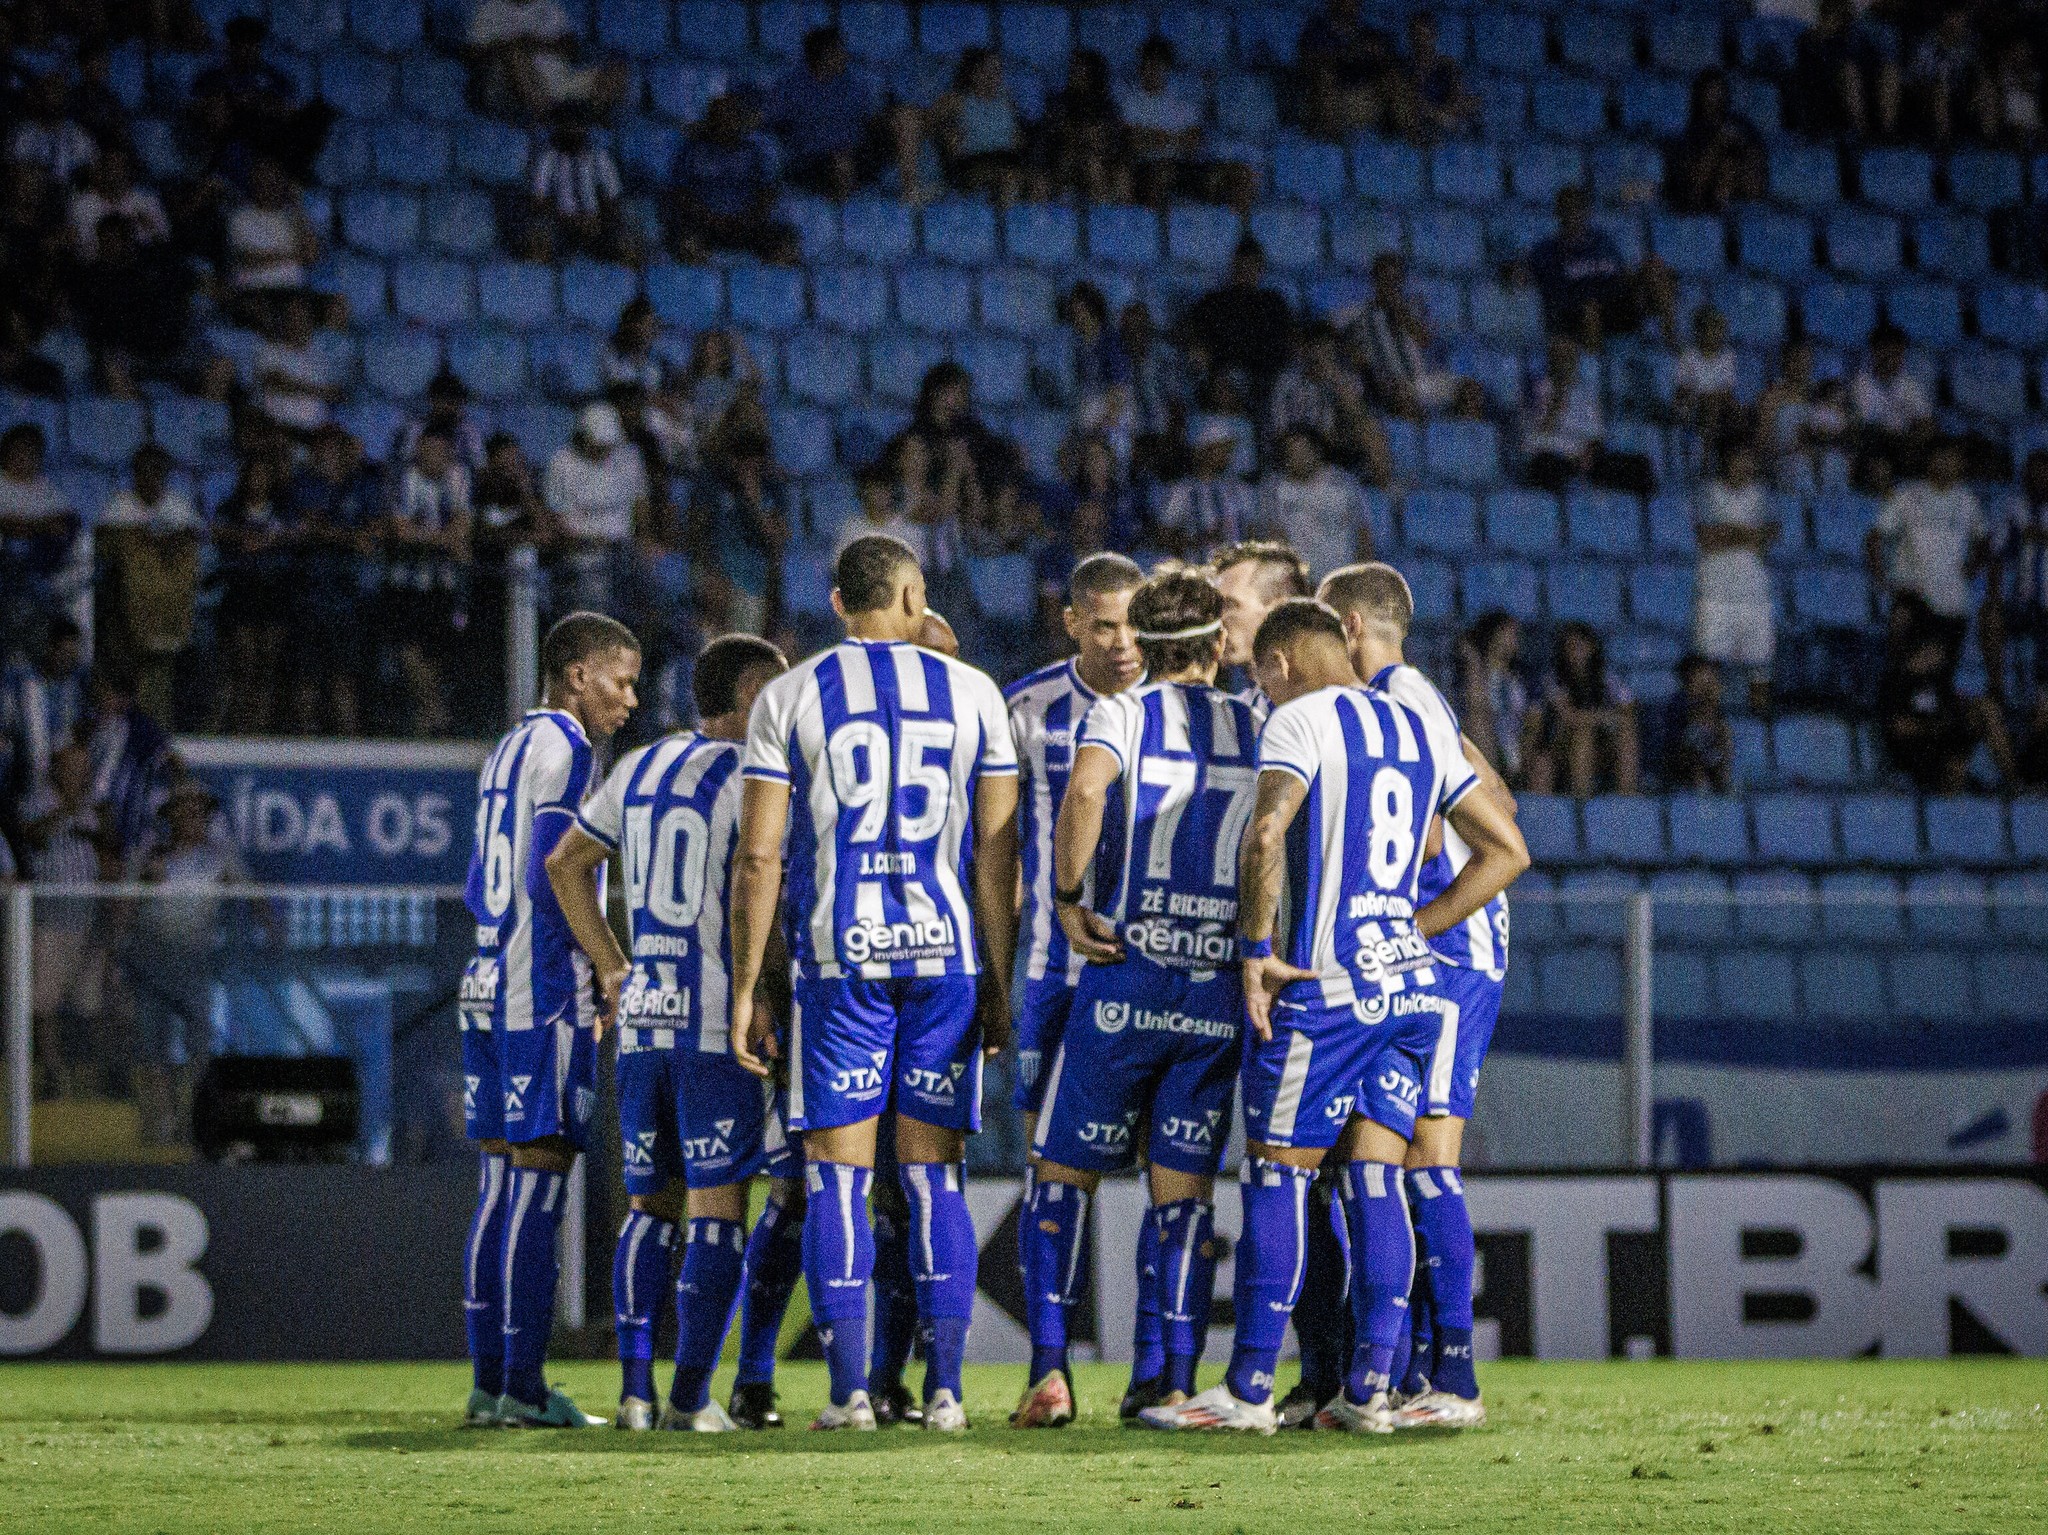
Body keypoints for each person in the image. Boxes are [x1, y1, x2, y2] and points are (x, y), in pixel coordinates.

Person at [1139, 595, 1526, 1433]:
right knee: (1378, 1175)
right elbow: (1507, 849)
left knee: (1277, 1174)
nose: (1262, 690)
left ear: (1279, 664)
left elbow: (1267, 828)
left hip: (1328, 988)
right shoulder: (1419, 725)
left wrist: (1254, 949)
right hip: (1410, 986)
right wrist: (1410, 930)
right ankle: (1371, 1390)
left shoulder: (1300, 720)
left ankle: (1244, 1390)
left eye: (1260, 676)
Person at [726, 535, 1019, 1432]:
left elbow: (760, 856)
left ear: (836, 599)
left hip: (840, 958)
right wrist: (999, 979)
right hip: (946, 958)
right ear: (912, 592)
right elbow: (995, 856)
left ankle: (850, 1392)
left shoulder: (788, 694)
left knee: (838, 1179)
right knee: (934, 1177)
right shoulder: (976, 694)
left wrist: (748, 986)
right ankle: (946, 1393)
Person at [1015, 568, 1259, 1428]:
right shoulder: (1254, 721)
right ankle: (1171, 1377)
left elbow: (1086, 790)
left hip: (1126, 973)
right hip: (1216, 988)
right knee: (1182, 1192)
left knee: (1062, 1175)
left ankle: (1050, 1371)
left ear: (1143, 647)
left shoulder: (1120, 711)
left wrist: (1069, 894)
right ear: (1221, 643)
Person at [543, 632, 802, 1432]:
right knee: (719, 1207)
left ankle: (633, 1393)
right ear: (753, 696)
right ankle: (693, 1398)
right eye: (779, 696)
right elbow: (754, 885)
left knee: (649, 1209)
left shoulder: (641, 765)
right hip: (715, 1018)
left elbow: (563, 863)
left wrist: (613, 965)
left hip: (646, 1020)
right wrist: (767, 993)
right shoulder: (757, 777)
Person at [1316, 562, 1519, 1428]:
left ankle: (1455, 1380)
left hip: (1453, 959)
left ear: (1353, 628)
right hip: (1455, 957)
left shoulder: (1400, 702)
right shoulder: (1420, 697)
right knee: (1398, 1161)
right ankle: (1411, 1373)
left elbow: (1451, 832)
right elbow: (1499, 798)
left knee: (1426, 1161)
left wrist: (1418, 927)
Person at [456, 610, 642, 1429]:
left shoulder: (505, 748)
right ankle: (524, 1388)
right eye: (620, 679)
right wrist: (605, 964)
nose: (630, 699)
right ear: (576, 676)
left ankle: (493, 1383)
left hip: (485, 977)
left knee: (500, 1186)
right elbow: (552, 871)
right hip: (539, 992)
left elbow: (479, 880)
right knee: (537, 1185)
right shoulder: (568, 750)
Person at [1001, 552, 1145, 1420]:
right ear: (1072, 623)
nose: (1123, 643)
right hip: (1054, 977)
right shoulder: (1027, 708)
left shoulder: (1170, 705)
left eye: (1134, 624)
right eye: (1104, 625)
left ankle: (1159, 1374)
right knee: (1051, 1167)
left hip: (1156, 972)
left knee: (1174, 1174)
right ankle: (1048, 1368)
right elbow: (999, 846)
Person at [96, 445, 204, 725]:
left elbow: (192, 538)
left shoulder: (177, 504)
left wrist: (164, 541)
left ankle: (155, 728)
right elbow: (110, 546)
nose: (150, 478)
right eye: (144, 472)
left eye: (157, 472)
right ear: (134, 474)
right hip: (122, 612)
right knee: (128, 675)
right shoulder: (120, 503)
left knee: (159, 679)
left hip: (166, 611)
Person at [761, 25, 923, 201]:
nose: (845, 55)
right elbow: (768, 121)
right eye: (838, 51)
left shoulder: (856, 82)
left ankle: (910, 192)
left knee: (905, 119)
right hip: (812, 161)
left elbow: (873, 118)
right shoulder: (789, 86)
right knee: (840, 164)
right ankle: (842, 215)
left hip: (856, 153)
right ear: (822, 56)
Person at [382, 430, 473, 738]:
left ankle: (427, 722)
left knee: (436, 654)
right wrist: (443, 540)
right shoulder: (403, 480)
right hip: (405, 582)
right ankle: (435, 711)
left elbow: (462, 528)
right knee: (407, 649)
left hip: (443, 584)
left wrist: (427, 538)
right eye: (429, 450)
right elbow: (401, 531)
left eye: (442, 451)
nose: (436, 458)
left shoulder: (459, 479)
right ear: (419, 451)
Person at [1877, 595, 2013, 791]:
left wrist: (1958, 714)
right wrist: (1936, 725)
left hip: (1942, 738)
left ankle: (2014, 784)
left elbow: (1947, 705)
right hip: (1914, 751)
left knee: (1987, 711)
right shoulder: (1894, 678)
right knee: (1952, 763)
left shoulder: (1938, 677)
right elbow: (1898, 727)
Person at [1868, 437, 1988, 656]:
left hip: (1951, 596)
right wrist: (1879, 575)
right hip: (1912, 590)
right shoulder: (1906, 495)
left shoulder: (1968, 500)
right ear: (1930, 460)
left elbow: (1983, 540)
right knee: (1902, 633)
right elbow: (1876, 536)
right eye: (1941, 456)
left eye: (1952, 458)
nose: (1946, 463)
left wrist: (1972, 568)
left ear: (1961, 463)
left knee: (1939, 663)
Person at [189, 16, 333, 184]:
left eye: (251, 43)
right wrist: (234, 101)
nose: (246, 49)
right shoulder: (213, 78)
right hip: (228, 139)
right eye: (240, 43)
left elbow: (288, 111)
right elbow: (201, 110)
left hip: (268, 140)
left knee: (318, 113)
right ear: (230, 46)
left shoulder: (275, 79)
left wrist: (257, 102)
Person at [1693, 441, 1779, 715]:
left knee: (1760, 673)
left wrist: (1729, 532)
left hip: (1755, 596)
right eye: (1741, 458)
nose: (1747, 465)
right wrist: (1747, 535)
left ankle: (1762, 740)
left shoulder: (1763, 495)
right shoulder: (1707, 492)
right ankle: (1710, 738)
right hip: (1715, 595)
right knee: (1709, 673)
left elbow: (1768, 536)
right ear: (1727, 460)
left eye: (1751, 459)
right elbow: (1707, 539)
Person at [1527, 186, 1675, 345]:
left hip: (1613, 304)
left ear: (1586, 212)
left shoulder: (1602, 242)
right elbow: (1546, 290)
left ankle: (1671, 344)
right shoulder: (1547, 250)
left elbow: (1622, 274)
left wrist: (1643, 274)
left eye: (1577, 208)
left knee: (1654, 270)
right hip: (1574, 311)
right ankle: (1594, 365)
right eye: (1567, 209)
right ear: (1558, 213)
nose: (1572, 215)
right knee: (1591, 310)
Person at [1118, 34, 1251, 211]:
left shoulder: (1183, 103)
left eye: (1158, 65)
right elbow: (1134, 143)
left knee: (1240, 173)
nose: (1152, 71)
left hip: (1183, 167)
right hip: (1146, 168)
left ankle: (1230, 228)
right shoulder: (1130, 103)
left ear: (1167, 68)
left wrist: (1159, 138)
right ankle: (1154, 230)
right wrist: (1172, 140)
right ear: (1140, 67)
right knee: (1161, 173)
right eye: (1147, 64)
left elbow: (1193, 143)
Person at [544, 402, 650, 614]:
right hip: (583, 554)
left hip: (624, 548)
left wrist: (642, 539)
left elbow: (640, 502)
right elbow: (555, 515)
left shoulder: (630, 458)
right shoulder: (561, 463)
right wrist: (589, 542)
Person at [669, 95, 798, 263]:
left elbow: (768, 193)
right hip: (705, 223)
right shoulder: (692, 151)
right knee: (686, 243)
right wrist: (710, 218)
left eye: (731, 118)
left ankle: (768, 287)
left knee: (785, 245)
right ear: (710, 121)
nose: (726, 124)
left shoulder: (755, 152)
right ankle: (705, 287)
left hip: (747, 224)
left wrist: (747, 219)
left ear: (740, 121)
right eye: (720, 118)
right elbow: (680, 193)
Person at [1349, 251, 1470, 422]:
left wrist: (1402, 314)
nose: (1390, 286)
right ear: (1375, 281)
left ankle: (1464, 442)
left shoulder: (1414, 307)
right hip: (1389, 384)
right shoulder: (1362, 316)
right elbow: (1356, 357)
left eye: (1395, 280)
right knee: (1402, 396)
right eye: (1385, 280)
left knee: (1470, 390)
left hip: (1420, 381)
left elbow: (1424, 340)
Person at [467, 0, 628, 121]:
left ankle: (587, 118)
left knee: (618, 69)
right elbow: (472, 54)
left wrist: (536, 44)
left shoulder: (549, 7)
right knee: (514, 54)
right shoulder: (489, 9)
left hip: (558, 79)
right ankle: (548, 116)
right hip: (509, 88)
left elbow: (571, 48)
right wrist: (509, 45)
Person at [1266, 323, 1391, 480]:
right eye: (1318, 350)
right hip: (1297, 442)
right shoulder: (1287, 381)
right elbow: (1280, 429)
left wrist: (1333, 378)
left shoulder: (1342, 377)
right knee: (1298, 445)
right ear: (1307, 350)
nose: (1322, 356)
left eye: (1328, 351)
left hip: (1332, 444)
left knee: (1370, 427)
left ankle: (1384, 492)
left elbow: (1358, 413)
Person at [1530, 621, 1639, 795]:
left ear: (1592, 647)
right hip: (1562, 746)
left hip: (1602, 746)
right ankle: (1581, 804)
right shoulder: (1553, 679)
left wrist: (1603, 718)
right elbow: (1570, 717)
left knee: (1627, 731)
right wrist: (1606, 717)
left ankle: (1627, 798)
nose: (1576, 652)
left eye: (1581, 645)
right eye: (1570, 647)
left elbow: (1628, 712)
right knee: (1583, 735)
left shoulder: (1608, 678)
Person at [1179, 238, 1294, 401]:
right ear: (1233, 267)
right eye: (1241, 266)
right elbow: (1191, 334)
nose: (1245, 272)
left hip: (1262, 381)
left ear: (1260, 269)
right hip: (1219, 380)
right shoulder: (1213, 302)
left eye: (1251, 266)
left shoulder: (1273, 303)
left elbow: (1285, 343)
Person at [0, 423, 82, 649]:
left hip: (48, 559)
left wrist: (36, 527)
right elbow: (8, 525)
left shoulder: (44, 487)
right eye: (20, 450)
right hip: (10, 562)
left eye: (32, 452)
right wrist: (40, 526)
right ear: (7, 452)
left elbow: (67, 520)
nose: (25, 457)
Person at [1257, 428, 1375, 582]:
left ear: (1317, 451)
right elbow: (1275, 537)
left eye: (1303, 450)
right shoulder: (1274, 489)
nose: (1298, 457)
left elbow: (1362, 530)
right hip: (1304, 582)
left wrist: (1364, 574)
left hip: (1344, 577)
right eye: (1292, 452)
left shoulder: (1343, 482)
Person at [1213, 540, 1314, 715]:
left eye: (1230, 605)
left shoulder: (1331, 702)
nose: (1217, 620)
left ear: (1278, 609)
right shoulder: (1240, 710)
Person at [522, 111, 637, 264]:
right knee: (539, 238)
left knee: (627, 242)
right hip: (560, 221)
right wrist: (569, 220)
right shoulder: (548, 158)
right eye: (567, 126)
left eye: (578, 126)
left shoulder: (600, 158)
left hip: (596, 222)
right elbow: (539, 200)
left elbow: (613, 198)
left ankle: (624, 285)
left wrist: (597, 220)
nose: (573, 131)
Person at [932, 47, 1039, 206]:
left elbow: (1018, 139)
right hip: (973, 162)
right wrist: (948, 135)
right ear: (973, 73)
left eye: (997, 71)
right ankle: (999, 226)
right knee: (1009, 180)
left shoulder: (1007, 100)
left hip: (1007, 158)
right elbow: (933, 123)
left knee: (1039, 184)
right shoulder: (956, 101)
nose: (993, 76)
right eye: (987, 70)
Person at [1987, 449, 2048, 701]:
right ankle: (1997, 688)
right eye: (2034, 472)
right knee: (1990, 618)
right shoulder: (2011, 506)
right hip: (2022, 600)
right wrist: (1994, 597)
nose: (2039, 478)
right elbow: (1998, 551)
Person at [1792, 0, 1900, 141]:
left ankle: (1887, 132)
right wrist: (1824, 38)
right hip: (1830, 91)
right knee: (1849, 72)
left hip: (1866, 86)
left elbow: (1876, 60)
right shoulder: (1810, 40)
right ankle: (1862, 131)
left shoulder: (1858, 34)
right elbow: (1809, 72)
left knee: (1889, 71)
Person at [1298, 0, 1404, 140]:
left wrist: (1378, 56)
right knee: (1325, 78)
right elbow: (1309, 66)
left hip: (1363, 99)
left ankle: (1411, 142)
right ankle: (1334, 147)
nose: (1350, 4)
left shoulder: (1369, 34)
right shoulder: (1316, 32)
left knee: (1393, 79)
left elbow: (1389, 63)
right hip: (1332, 100)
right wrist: (1346, 53)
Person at [1664, 69, 1766, 215]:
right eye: (1711, 91)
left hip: (1739, 203)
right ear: (1700, 95)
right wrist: (1719, 144)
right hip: (1701, 202)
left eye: (1719, 90)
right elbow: (1693, 185)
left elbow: (1755, 178)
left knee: (1733, 162)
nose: (1716, 96)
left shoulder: (1740, 126)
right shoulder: (1692, 134)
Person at [1152, 421, 1256, 557]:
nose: (1226, 455)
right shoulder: (1182, 491)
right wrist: (1197, 541)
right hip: (1197, 569)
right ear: (1203, 451)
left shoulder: (1241, 490)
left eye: (1228, 450)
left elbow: (1251, 531)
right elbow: (1163, 536)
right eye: (1220, 449)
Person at [1850, 324, 1934, 490]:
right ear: (1875, 352)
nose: (1891, 358)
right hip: (1875, 442)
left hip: (1904, 443)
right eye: (1885, 352)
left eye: (1897, 353)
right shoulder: (1861, 384)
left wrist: (1917, 435)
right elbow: (1867, 424)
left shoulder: (1911, 385)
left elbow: (1925, 422)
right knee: (1872, 437)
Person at [1043, 47, 1127, 202]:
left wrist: (1096, 140)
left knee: (1107, 170)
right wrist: (1080, 135)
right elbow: (1054, 134)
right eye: (1073, 70)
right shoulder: (1058, 102)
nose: (1073, 74)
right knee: (1083, 162)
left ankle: (1108, 216)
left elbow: (1112, 138)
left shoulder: (1106, 105)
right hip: (1064, 157)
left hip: (1099, 156)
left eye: (1079, 70)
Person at [1458, 612, 1530, 788]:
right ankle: (1491, 787)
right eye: (1509, 632)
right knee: (1479, 724)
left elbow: (1531, 718)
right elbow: (1475, 706)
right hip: (1486, 740)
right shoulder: (1477, 673)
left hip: (1515, 739)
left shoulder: (1520, 677)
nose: (1515, 639)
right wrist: (1473, 662)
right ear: (1494, 634)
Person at [254, 295, 342, 439]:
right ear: (283, 321)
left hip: (316, 434)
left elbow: (336, 393)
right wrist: (319, 391)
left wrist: (297, 386)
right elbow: (277, 384)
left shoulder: (323, 354)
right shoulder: (270, 350)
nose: (297, 322)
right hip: (279, 432)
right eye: (291, 317)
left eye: (301, 317)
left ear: (310, 320)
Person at [66, 147, 167, 261]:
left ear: (128, 171)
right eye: (110, 168)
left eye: (119, 168)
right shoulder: (82, 205)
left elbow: (164, 240)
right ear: (100, 172)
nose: (115, 174)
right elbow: (78, 248)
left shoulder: (147, 200)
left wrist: (149, 227)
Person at [1673, 305, 1743, 465]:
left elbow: (1727, 391)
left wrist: (1712, 397)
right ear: (1700, 331)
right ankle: (1704, 457)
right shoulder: (1688, 356)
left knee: (1724, 407)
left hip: (1719, 405)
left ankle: (1717, 455)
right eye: (1710, 329)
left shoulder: (1727, 357)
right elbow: (1682, 389)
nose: (1715, 334)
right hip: (1691, 405)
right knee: (1710, 403)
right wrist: (1702, 396)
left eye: (1719, 330)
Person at [1659, 655, 1735, 793]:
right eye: (1701, 678)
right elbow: (1680, 749)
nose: (1708, 683)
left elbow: (1721, 748)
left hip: (1712, 770)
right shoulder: (1676, 708)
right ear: (1688, 681)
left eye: (1712, 678)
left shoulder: (1721, 712)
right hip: (1680, 774)